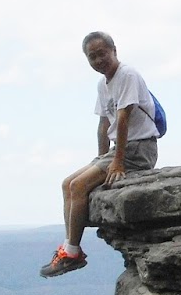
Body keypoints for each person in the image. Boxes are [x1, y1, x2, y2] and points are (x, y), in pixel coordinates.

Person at [40, 32, 159, 278]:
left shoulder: (127, 75)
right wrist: (100, 159)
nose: (98, 60)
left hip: (138, 149)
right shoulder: (103, 84)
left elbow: (124, 119)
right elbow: (105, 124)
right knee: (67, 184)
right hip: (121, 149)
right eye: (92, 57)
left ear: (114, 50)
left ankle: (72, 253)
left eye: (102, 53)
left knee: (79, 186)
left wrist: (115, 163)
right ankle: (68, 247)